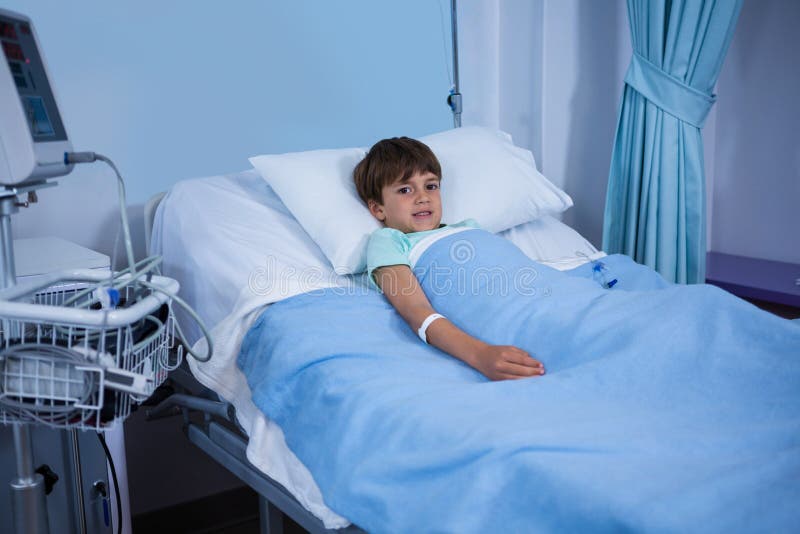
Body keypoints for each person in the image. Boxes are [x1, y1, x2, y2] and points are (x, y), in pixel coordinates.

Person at [353, 136, 545, 381]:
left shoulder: (469, 228)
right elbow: (415, 310)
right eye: (405, 190)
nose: (423, 197)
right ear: (378, 209)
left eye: (431, 186)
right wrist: (480, 355)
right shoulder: (389, 241)